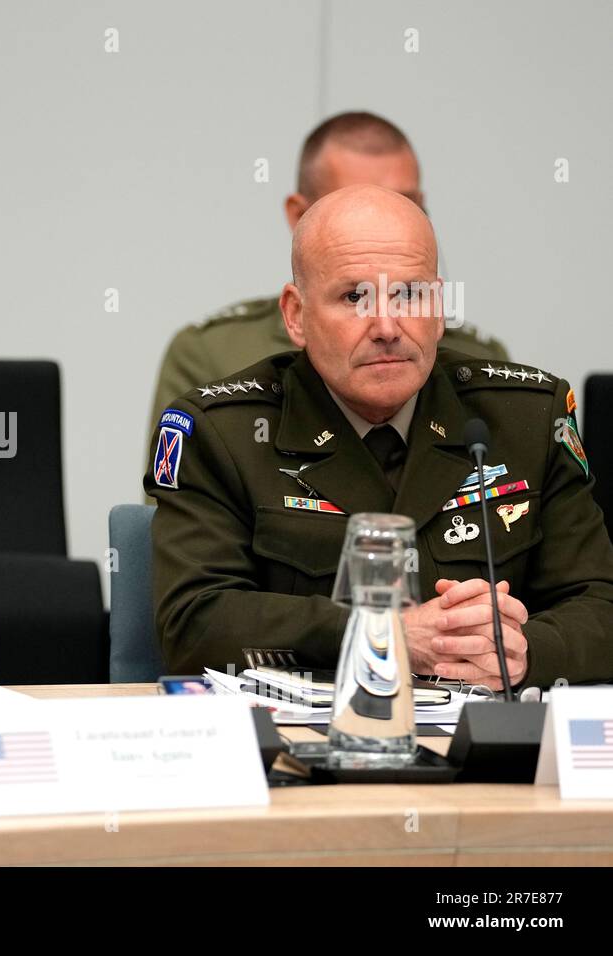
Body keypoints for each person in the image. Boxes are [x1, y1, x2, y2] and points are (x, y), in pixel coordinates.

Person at [146, 184, 613, 690]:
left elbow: (600, 607)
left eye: (410, 294)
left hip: (487, 743)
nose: (387, 326)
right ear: (296, 315)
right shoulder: (222, 432)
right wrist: (385, 635)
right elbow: (195, 624)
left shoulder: (526, 419)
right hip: (305, 746)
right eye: (354, 297)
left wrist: (524, 654)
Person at [146, 112, 509, 450]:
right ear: (298, 214)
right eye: (352, 203)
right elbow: (183, 502)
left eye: (404, 203)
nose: (382, 219)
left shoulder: (479, 360)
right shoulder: (214, 355)